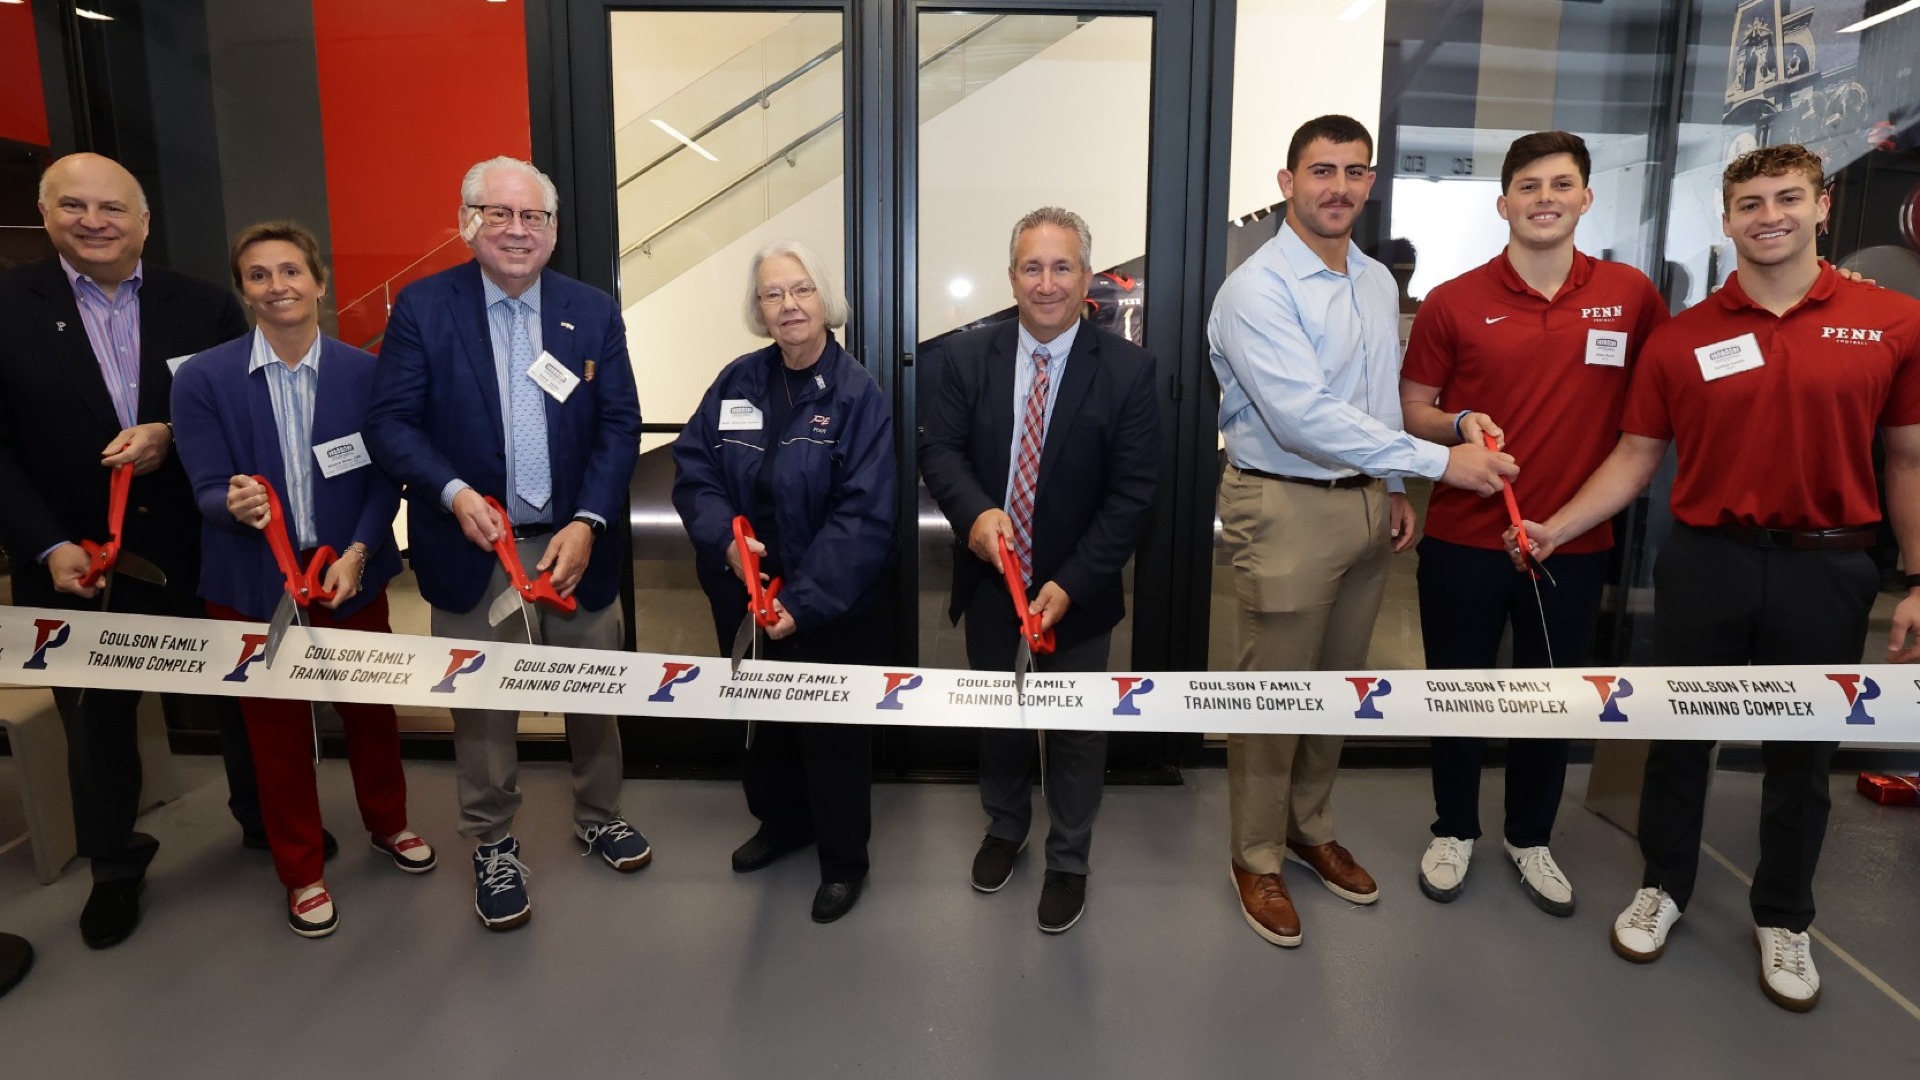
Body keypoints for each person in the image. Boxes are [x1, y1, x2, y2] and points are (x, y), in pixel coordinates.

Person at [1515, 143, 1920, 1012]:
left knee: (1802, 758)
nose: (1767, 216)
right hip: (1707, 562)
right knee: (1679, 739)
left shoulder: (1890, 322)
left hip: (1829, 565)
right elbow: (1633, 457)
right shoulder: (1683, 336)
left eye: (1787, 198)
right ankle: (1664, 886)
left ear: (1821, 206)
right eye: (1749, 203)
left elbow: (1910, 460)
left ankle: (1785, 917)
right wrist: (1557, 527)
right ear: (1726, 219)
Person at [1206, 114, 1517, 949]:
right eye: (1320, 171)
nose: (1337, 187)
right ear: (1287, 183)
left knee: (1335, 684)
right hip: (1284, 503)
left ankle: (1310, 829)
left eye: (1353, 172)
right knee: (1274, 695)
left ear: (1370, 184)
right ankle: (1256, 855)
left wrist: (1391, 482)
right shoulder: (1257, 291)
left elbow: (1374, 398)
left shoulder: (1377, 281)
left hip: (1365, 504)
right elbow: (1303, 416)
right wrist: (1436, 464)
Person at [365, 156, 647, 932]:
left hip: (573, 545)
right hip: (472, 547)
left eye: (535, 218)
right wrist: (454, 495)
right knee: (482, 712)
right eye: (500, 214)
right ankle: (492, 842)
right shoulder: (422, 309)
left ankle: (600, 813)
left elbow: (621, 424)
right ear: (469, 222)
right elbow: (390, 424)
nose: (519, 231)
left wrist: (588, 519)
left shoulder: (592, 312)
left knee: (596, 693)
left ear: (554, 229)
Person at [0, 152, 274, 950]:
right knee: (97, 727)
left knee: (239, 696)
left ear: (144, 222)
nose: (95, 222)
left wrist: (172, 436)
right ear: (46, 216)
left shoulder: (204, 307)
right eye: (74, 206)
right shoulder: (9, 305)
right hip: (71, 562)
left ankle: (261, 821)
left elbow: (243, 417)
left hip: (200, 545)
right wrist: (46, 544)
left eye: (113, 208)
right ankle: (114, 869)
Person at [1398, 131, 1667, 916]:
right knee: (1458, 693)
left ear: (1586, 198)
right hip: (1465, 539)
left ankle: (1529, 836)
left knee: (1552, 699)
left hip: (1573, 544)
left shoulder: (1631, 295)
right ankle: (1454, 829)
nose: (1544, 197)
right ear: (1503, 202)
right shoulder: (1455, 299)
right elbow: (1412, 409)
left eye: (1561, 184)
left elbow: (1666, 397)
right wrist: (1458, 427)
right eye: (1527, 185)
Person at [171, 222, 436, 938]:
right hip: (251, 585)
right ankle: (301, 869)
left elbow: (389, 480)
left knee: (372, 713)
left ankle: (390, 824)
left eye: (291, 271)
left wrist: (357, 551)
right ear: (244, 291)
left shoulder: (367, 373)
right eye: (259, 275)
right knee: (276, 733)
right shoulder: (202, 378)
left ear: (319, 284)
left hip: (351, 575)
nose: (277, 286)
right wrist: (230, 503)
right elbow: (201, 486)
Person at [920, 206, 1160, 934]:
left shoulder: (1128, 370)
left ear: (1087, 277)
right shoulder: (968, 358)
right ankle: (1004, 826)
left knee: (1079, 736)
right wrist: (976, 516)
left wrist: (1074, 581)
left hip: (1076, 595)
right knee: (1003, 722)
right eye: (1033, 267)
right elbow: (942, 455)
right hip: (995, 584)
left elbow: (1134, 493)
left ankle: (1068, 859)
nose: (1047, 283)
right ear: (1012, 276)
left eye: (1062, 267)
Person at [670, 240, 895, 924]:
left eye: (800, 290)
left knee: (830, 736)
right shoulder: (736, 381)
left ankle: (842, 859)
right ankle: (780, 824)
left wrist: (800, 601)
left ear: (825, 298)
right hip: (742, 595)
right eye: (773, 294)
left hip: (826, 606)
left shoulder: (858, 394)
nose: (788, 305)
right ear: (757, 308)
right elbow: (694, 471)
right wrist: (726, 546)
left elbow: (866, 515)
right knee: (760, 723)